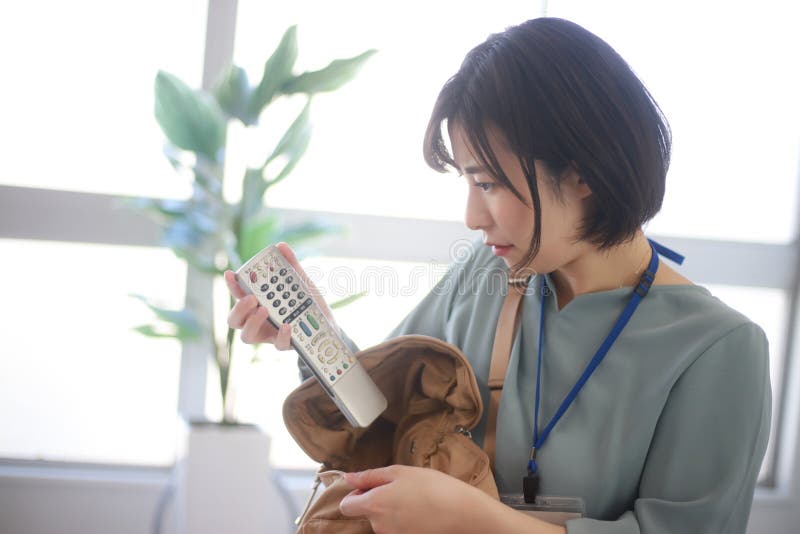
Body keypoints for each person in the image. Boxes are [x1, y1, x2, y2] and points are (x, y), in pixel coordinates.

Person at [224, 17, 771, 534]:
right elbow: (382, 413)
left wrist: (473, 519)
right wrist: (311, 330)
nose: (471, 217)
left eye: (486, 184)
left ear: (581, 173)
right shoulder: (485, 274)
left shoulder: (717, 349)